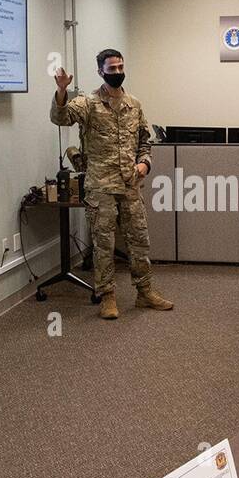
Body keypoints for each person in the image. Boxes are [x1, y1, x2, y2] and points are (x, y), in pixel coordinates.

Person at [51, 49, 173, 320]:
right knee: (103, 243)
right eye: (112, 68)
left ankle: (145, 292)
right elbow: (61, 118)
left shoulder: (134, 104)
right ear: (100, 72)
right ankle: (107, 296)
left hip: (131, 184)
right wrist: (61, 92)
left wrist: (145, 164)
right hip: (101, 187)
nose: (117, 72)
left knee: (139, 240)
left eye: (120, 67)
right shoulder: (88, 103)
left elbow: (145, 141)